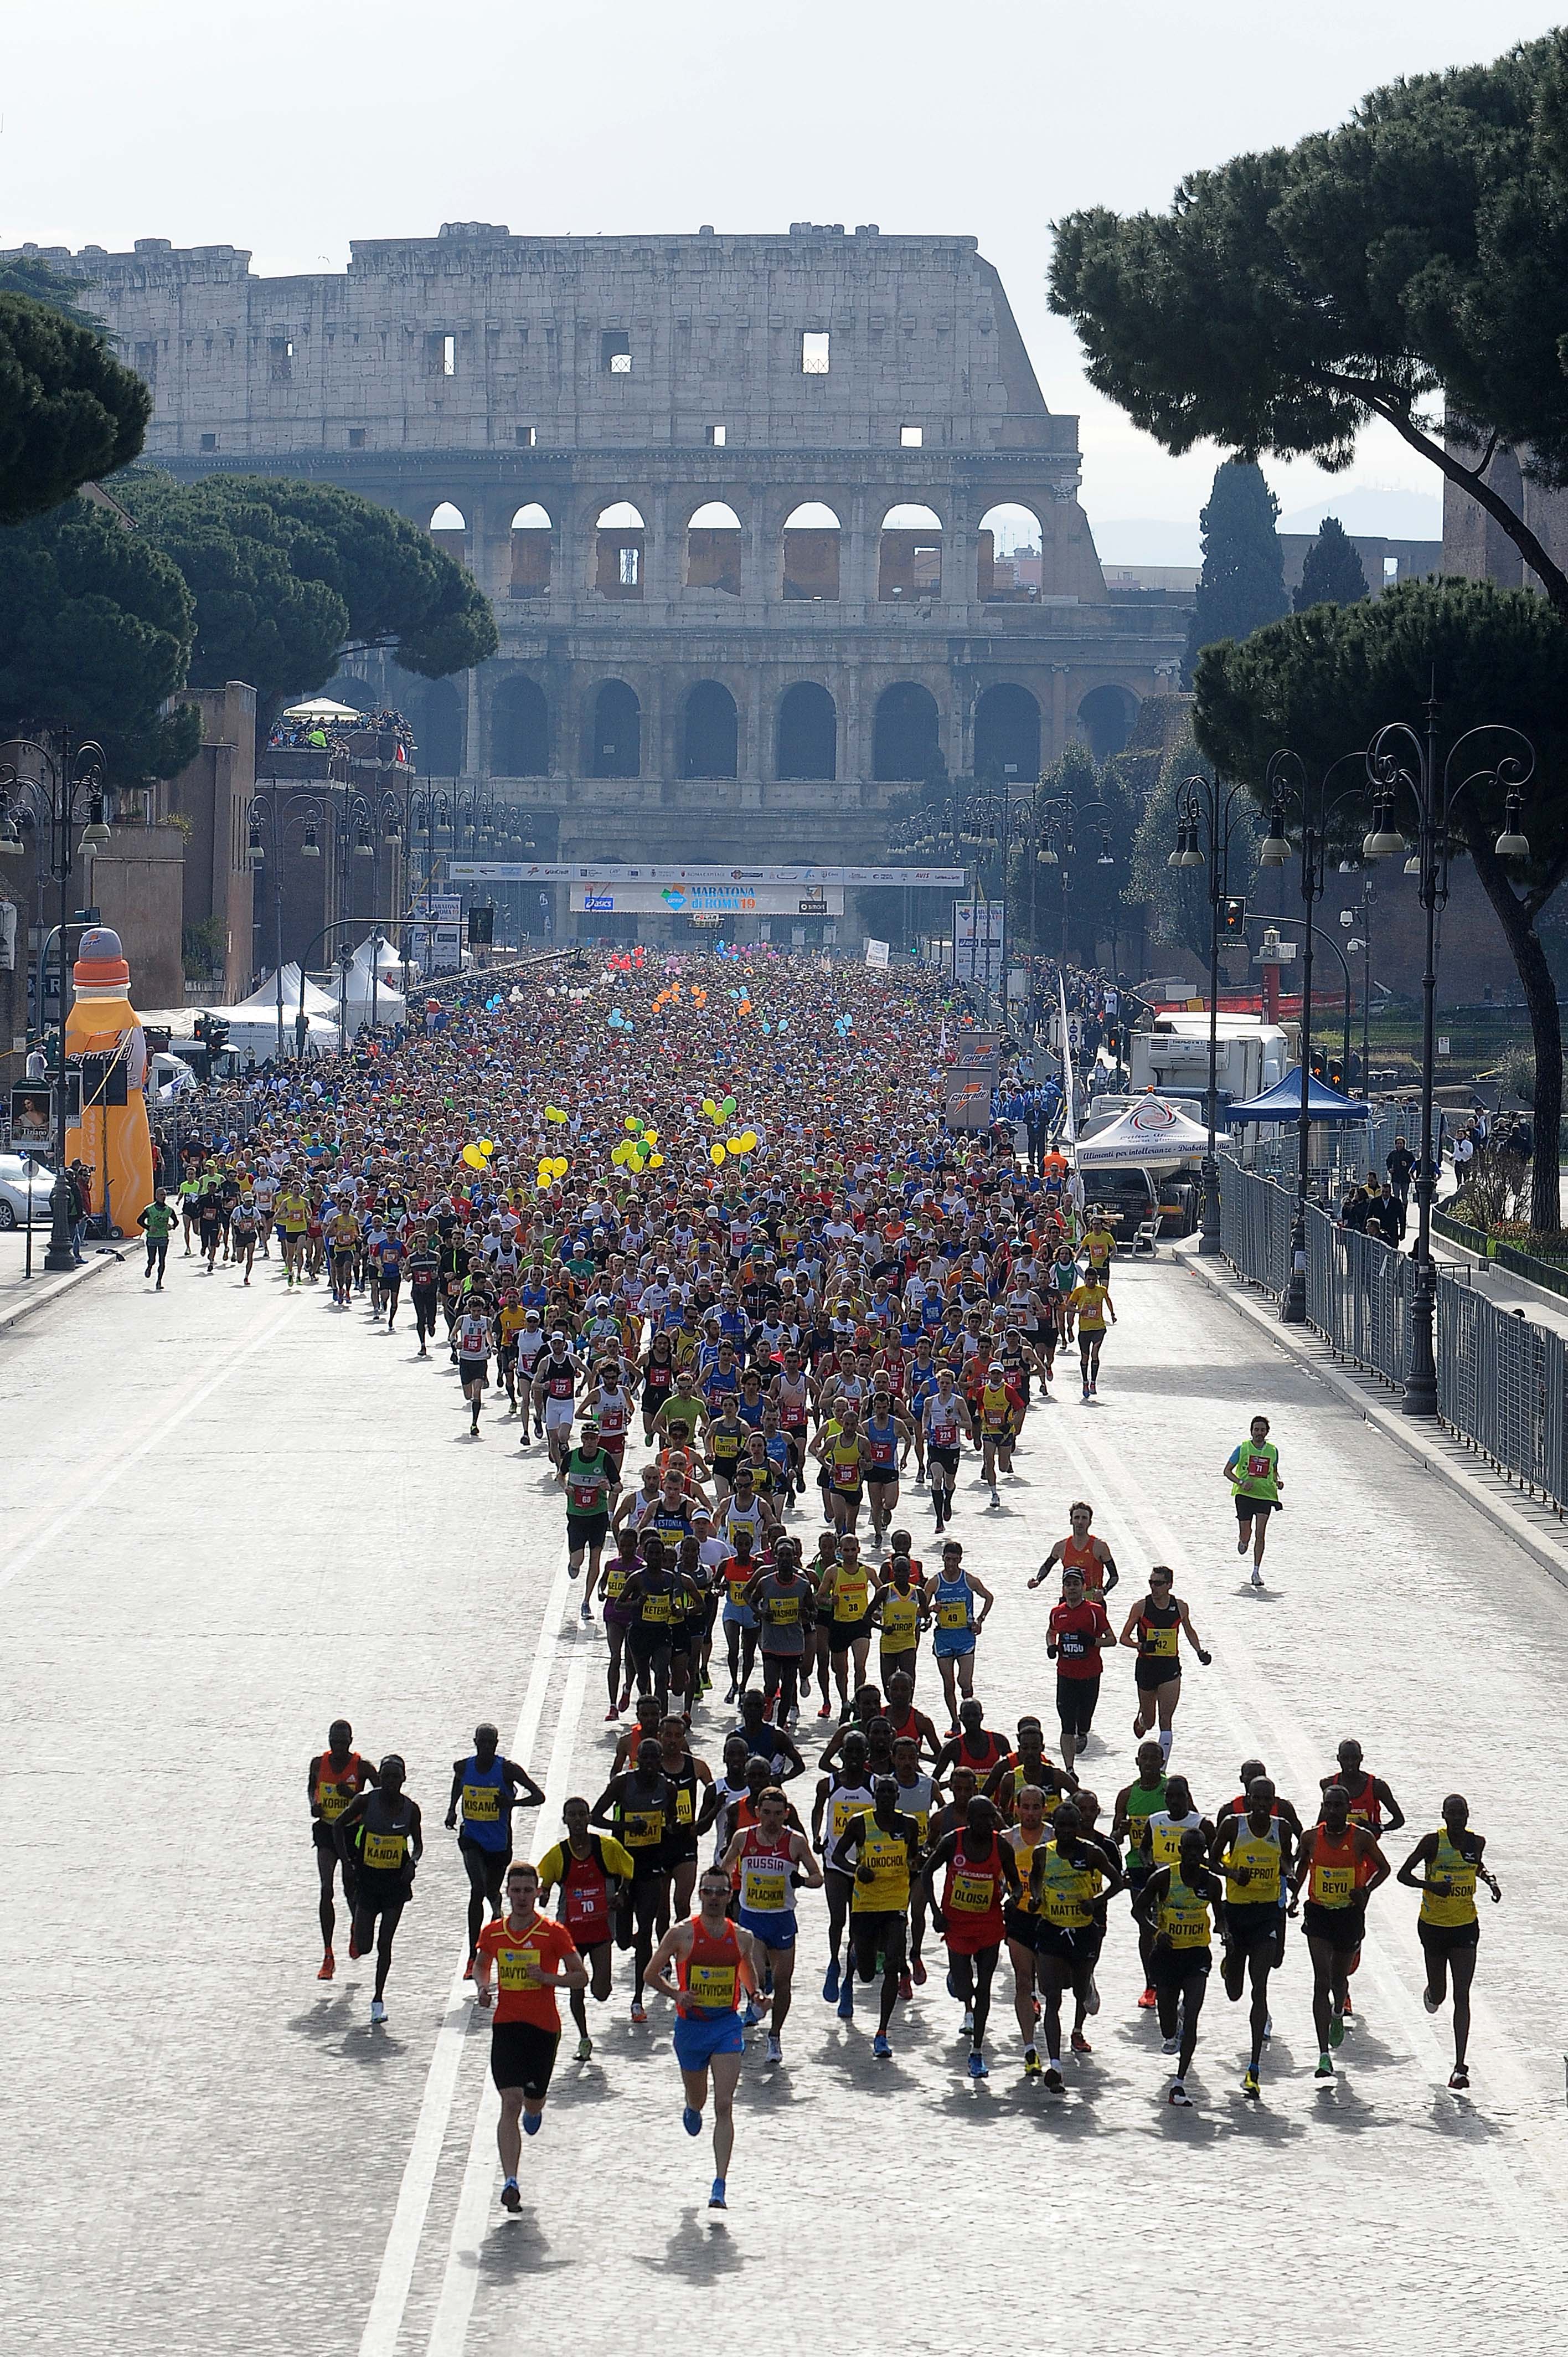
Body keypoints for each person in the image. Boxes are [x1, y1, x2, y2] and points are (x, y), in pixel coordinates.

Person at [646, 1863, 767, 2210]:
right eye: (708, 1892)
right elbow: (651, 1974)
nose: (714, 1898)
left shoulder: (742, 1937)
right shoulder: (681, 1934)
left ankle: (720, 2183)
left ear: (731, 1896)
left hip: (726, 2026)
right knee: (699, 2099)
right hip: (691, 2029)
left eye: (721, 1892)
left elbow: (745, 1969)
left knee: (725, 2104)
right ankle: (690, 2105)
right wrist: (676, 1995)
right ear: (700, 1895)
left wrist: (756, 1995)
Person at [473, 1861, 589, 2203]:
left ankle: (535, 2110)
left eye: (528, 1891)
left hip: (544, 2028)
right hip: (507, 2025)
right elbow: (482, 1965)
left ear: (538, 1892)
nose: (522, 1897)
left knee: (532, 2101)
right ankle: (510, 2181)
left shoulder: (553, 1933)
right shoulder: (493, 1932)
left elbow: (580, 1976)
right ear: (506, 1893)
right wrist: (482, 1988)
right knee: (510, 2101)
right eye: (516, 1891)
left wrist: (548, 1978)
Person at [1397, 1794, 1501, 2091]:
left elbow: (1476, 1866)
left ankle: (1460, 2067)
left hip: (1465, 1926)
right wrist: (1431, 1886)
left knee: (1462, 1994)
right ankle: (1432, 1991)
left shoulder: (1476, 1843)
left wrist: (1491, 1881)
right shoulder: (1432, 1843)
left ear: (1468, 1816)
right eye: (1452, 1814)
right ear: (1443, 1816)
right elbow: (1403, 1875)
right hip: (1432, 1927)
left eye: (1462, 1813)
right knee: (1441, 1994)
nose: (1458, 1818)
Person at [1288, 1784, 1390, 2082]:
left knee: (1338, 1978)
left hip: (1348, 1915)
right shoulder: (1310, 1837)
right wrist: (1294, 1896)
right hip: (1318, 1914)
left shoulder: (1361, 1838)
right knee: (1321, 1980)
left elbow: (1383, 1869)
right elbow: (1302, 1867)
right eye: (1328, 1805)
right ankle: (1323, 2055)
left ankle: (1336, 2013)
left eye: (1338, 1806)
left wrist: (1365, 1891)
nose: (1332, 1811)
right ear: (1323, 1807)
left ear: (1348, 1809)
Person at [720, 1782, 823, 2063]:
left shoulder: (795, 1842)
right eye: (766, 1813)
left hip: (782, 1921)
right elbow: (726, 1867)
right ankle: (753, 2003)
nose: (772, 1820)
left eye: (778, 1814)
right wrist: (720, 1890)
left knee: (782, 1982)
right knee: (758, 1979)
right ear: (757, 1812)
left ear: (786, 1813)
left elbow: (818, 1877)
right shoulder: (744, 1838)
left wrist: (801, 1881)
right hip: (752, 1918)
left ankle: (775, 2035)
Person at [1028, 1797, 1124, 2091]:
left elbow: (1118, 1882)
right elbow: (1035, 1878)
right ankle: (1055, 2064)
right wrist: (1036, 1897)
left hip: (1083, 1931)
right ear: (1053, 1827)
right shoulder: (1043, 1853)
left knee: (1080, 1992)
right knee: (1052, 1996)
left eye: (1072, 1826)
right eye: (1062, 1826)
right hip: (1052, 1929)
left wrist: (1095, 1902)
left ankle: (1087, 1983)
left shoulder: (1092, 1853)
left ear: (1079, 1826)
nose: (1067, 1831)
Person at [922, 1794, 1021, 2078]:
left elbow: (1015, 1884)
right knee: (966, 1990)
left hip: (989, 1924)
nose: (989, 1823)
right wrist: (936, 1913)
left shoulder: (1000, 1846)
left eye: (992, 1818)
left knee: (985, 1988)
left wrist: (1014, 1899)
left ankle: (977, 2051)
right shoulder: (953, 1841)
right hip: (958, 1925)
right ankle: (958, 1982)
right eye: (983, 1818)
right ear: (970, 1818)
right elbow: (927, 1873)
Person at [1212, 1774, 1294, 2099]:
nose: (1262, 1806)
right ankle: (1229, 1963)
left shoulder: (1281, 1827)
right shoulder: (1234, 1826)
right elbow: (1212, 1860)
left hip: (1266, 1914)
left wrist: (1289, 1873)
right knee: (1235, 1991)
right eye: (1256, 1800)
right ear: (1248, 1800)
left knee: (1261, 1984)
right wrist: (1233, 1873)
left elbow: (1286, 1858)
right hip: (1237, 1912)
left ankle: (1254, 2066)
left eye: (1267, 1800)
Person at [831, 1774, 924, 2058]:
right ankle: (856, 1956)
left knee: (894, 1962)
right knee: (868, 1974)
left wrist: (917, 1863)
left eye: (889, 1792)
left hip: (896, 1901)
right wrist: (857, 1870)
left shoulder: (908, 1824)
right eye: (880, 1792)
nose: (884, 1796)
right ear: (875, 1796)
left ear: (897, 1796)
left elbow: (913, 1858)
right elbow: (837, 1857)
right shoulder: (860, 1823)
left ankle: (882, 2032)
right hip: (866, 1903)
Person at [535, 1798, 636, 2060]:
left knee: (602, 1992)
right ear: (565, 1820)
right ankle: (584, 2038)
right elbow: (544, 1880)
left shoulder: (607, 1848)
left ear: (589, 1819)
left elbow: (628, 1871)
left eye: (582, 1815)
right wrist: (543, 1893)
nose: (578, 1820)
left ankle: (597, 1987)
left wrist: (621, 1894)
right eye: (572, 1815)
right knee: (576, 1986)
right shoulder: (559, 1855)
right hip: (570, 1933)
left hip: (601, 1930)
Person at [1132, 1825, 1224, 2107]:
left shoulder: (1211, 1884)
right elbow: (1138, 1910)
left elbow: (1221, 1918)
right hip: (1167, 1956)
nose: (1194, 1855)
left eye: (1200, 1850)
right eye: (1190, 1850)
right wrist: (1156, 1933)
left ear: (1204, 1853)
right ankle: (1173, 2030)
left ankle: (1180, 2081)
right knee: (1168, 2023)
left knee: (1194, 2012)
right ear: (1181, 1851)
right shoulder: (1163, 1879)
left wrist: (1227, 1935)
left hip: (1197, 1954)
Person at [445, 1723, 546, 1976]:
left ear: (497, 1744)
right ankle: (472, 1955)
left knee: (490, 1890)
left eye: (491, 1743)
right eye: (482, 1742)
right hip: (472, 1838)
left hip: (499, 1844)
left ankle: (497, 1902)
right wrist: (452, 1809)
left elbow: (539, 1796)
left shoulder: (507, 1769)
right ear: (475, 1742)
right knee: (477, 1890)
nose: (486, 1747)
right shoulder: (463, 1767)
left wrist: (511, 1803)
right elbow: (459, 1784)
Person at [590, 1739, 674, 2021]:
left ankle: (638, 2000)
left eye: (655, 1759)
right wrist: (625, 1826)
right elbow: (595, 1817)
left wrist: (669, 1837)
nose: (649, 1763)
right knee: (624, 1940)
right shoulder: (623, 1784)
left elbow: (670, 1823)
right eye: (644, 1758)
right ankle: (632, 1938)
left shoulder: (668, 1788)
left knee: (647, 1930)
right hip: (622, 1868)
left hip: (651, 1868)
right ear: (636, 1759)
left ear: (661, 1760)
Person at [337, 1756, 424, 2023]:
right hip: (368, 1881)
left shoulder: (411, 1810)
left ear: (403, 1780)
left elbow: (419, 1844)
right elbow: (339, 1825)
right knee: (364, 1946)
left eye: (394, 1777)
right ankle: (356, 1927)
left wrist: (413, 1862)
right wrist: (348, 1863)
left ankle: (378, 2000)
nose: (389, 1782)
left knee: (385, 1943)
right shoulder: (365, 1801)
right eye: (385, 1777)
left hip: (395, 1885)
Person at [307, 1721, 376, 1979]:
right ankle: (328, 1954)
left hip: (351, 1832)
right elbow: (312, 1789)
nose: (337, 1748)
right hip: (327, 1830)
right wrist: (314, 1804)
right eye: (333, 1742)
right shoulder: (317, 1764)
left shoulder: (361, 1767)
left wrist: (352, 1796)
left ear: (350, 1741)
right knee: (326, 1888)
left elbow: (381, 1795)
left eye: (342, 1742)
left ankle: (356, 1926)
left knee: (351, 1886)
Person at [1120, 1566, 1209, 1762]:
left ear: (1169, 1585)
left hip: (1170, 1668)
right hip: (1146, 1667)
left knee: (1166, 1719)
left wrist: (1200, 1651)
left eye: (1159, 1583)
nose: (1154, 1587)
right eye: (1151, 1583)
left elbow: (1189, 1630)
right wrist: (1140, 1645)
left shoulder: (1180, 1607)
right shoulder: (1141, 1607)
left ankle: (1162, 1765)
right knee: (1150, 1722)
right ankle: (1142, 1718)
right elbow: (1123, 1638)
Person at [1044, 1563, 1113, 1772]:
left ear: (1083, 1587)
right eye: (1068, 1584)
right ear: (1063, 1588)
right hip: (1065, 1675)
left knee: (1083, 1720)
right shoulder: (1057, 1612)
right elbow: (1051, 1632)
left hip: (1090, 1674)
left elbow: (1112, 1640)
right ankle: (1070, 1769)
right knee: (1066, 1722)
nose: (1072, 1588)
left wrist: (1092, 1641)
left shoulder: (1095, 1611)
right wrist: (1051, 1647)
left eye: (1076, 1584)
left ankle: (1083, 1732)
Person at [922, 1540, 994, 1733]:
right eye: (948, 1559)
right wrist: (931, 1609)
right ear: (943, 1558)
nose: (951, 1564)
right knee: (949, 1683)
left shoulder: (969, 1580)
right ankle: (955, 1722)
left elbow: (989, 1597)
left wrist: (980, 1620)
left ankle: (970, 1715)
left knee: (965, 1681)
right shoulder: (935, 1582)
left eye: (955, 1560)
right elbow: (921, 1609)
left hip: (965, 1636)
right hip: (944, 1636)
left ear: (960, 1559)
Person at [561, 1417, 620, 1607]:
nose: (589, 1442)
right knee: (578, 1559)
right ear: (582, 1439)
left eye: (593, 1439)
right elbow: (560, 1476)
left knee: (596, 1557)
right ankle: (573, 1564)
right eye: (586, 1438)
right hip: (577, 1515)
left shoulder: (604, 1458)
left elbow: (619, 1486)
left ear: (598, 1439)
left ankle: (586, 1601)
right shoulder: (572, 1456)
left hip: (598, 1515)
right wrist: (565, 1487)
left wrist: (609, 1486)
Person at [1224, 1415, 1282, 1588]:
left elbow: (1274, 1471)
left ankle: (1256, 1571)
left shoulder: (1273, 1450)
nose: (1259, 1433)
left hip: (1265, 1496)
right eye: (1256, 1430)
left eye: (1262, 1430)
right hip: (1245, 1495)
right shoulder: (1242, 1449)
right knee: (1246, 1533)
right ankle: (1243, 1540)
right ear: (1251, 1431)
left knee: (1261, 1533)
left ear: (1267, 1432)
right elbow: (1227, 1471)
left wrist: (1278, 1482)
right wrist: (1241, 1482)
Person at [1030, 1500, 1118, 1603]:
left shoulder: (1099, 1547)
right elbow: (1047, 1566)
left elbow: (1114, 1576)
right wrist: (1038, 1580)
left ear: (1090, 1522)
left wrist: (1103, 1591)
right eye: (1077, 1518)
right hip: (1068, 1601)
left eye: (1084, 1518)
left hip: (1093, 1602)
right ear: (1071, 1521)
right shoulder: (1061, 1547)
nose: (1080, 1522)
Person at [1070, 1268, 1115, 1398]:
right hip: (1084, 1329)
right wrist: (1079, 1312)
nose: (1091, 1282)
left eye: (1093, 1279)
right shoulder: (1079, 1291)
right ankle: (1085, 1382)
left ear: (1097, 1278)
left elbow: (1108, 1300)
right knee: (1085, 1357)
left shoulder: (1101, 1290)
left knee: (1095, 1352)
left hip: (1099, 1328)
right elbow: (1069, 1306)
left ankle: (1094, 1383)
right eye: (1088, 1279)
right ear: (1085, 1278)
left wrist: (1112, 1314)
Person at [137, 1190, 176, 1289]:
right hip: (152, 1238)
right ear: (156, 1196)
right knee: (152, 1259)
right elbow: (139, 1220)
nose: (163, 1197)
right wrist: (148, 1227)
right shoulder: (150, 1209)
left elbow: (176, 1222)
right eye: (161, 1195)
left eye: (165, 1195)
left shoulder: (169, 1210)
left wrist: (171, 1227)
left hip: (163, 1237)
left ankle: (159, 1281)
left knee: (162, 1261)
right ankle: (149, 1267)